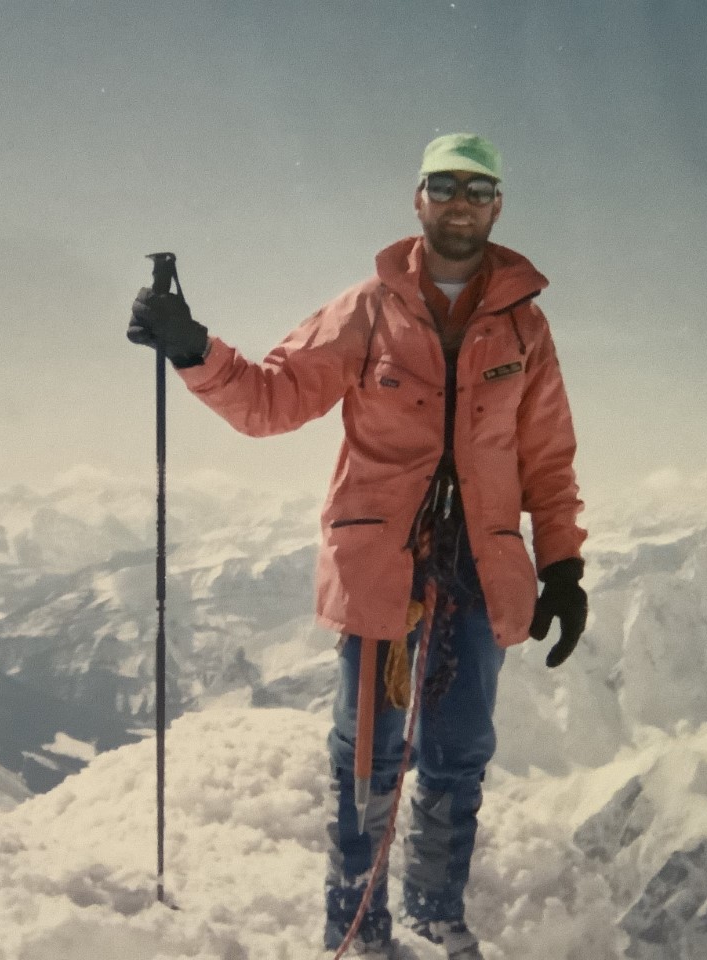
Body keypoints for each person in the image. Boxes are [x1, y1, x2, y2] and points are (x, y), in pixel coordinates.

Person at [127, 133, 588, 959]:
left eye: (478, 190)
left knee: (459, 753)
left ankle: (435, 917)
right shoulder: (365, 309)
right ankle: (357, 927)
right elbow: (270, 401)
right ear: (417, 199)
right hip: (386, 569)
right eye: (444, 185)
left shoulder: (526, 325)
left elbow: (546, 458)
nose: (460, 202)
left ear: (498, 206)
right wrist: (194, 349)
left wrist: (562, 565)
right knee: (366, 758)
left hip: (482, 569)